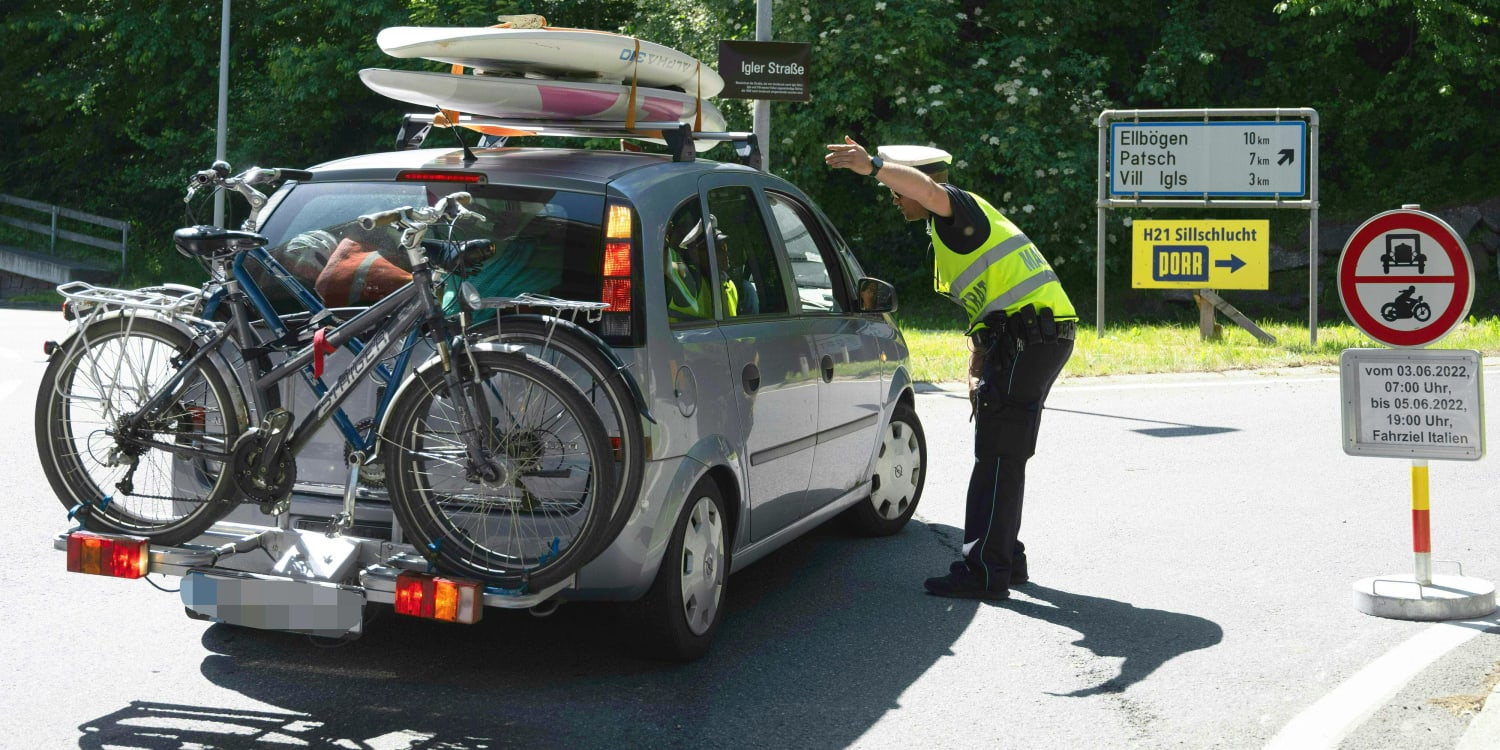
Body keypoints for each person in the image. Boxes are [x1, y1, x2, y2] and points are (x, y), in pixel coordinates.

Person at [825, 136, 1077, 600]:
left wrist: (872, 164)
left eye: (896, 190)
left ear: (919, 182)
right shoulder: (954, 230)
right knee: (1001, 453)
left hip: (1030, 339)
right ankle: (1005, 557)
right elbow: (987, 309)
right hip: (1024, 339)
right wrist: (976, 370)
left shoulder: (956, 209)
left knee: (999, 455)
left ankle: (986, 571)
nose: (896, 201)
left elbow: (929, 193)